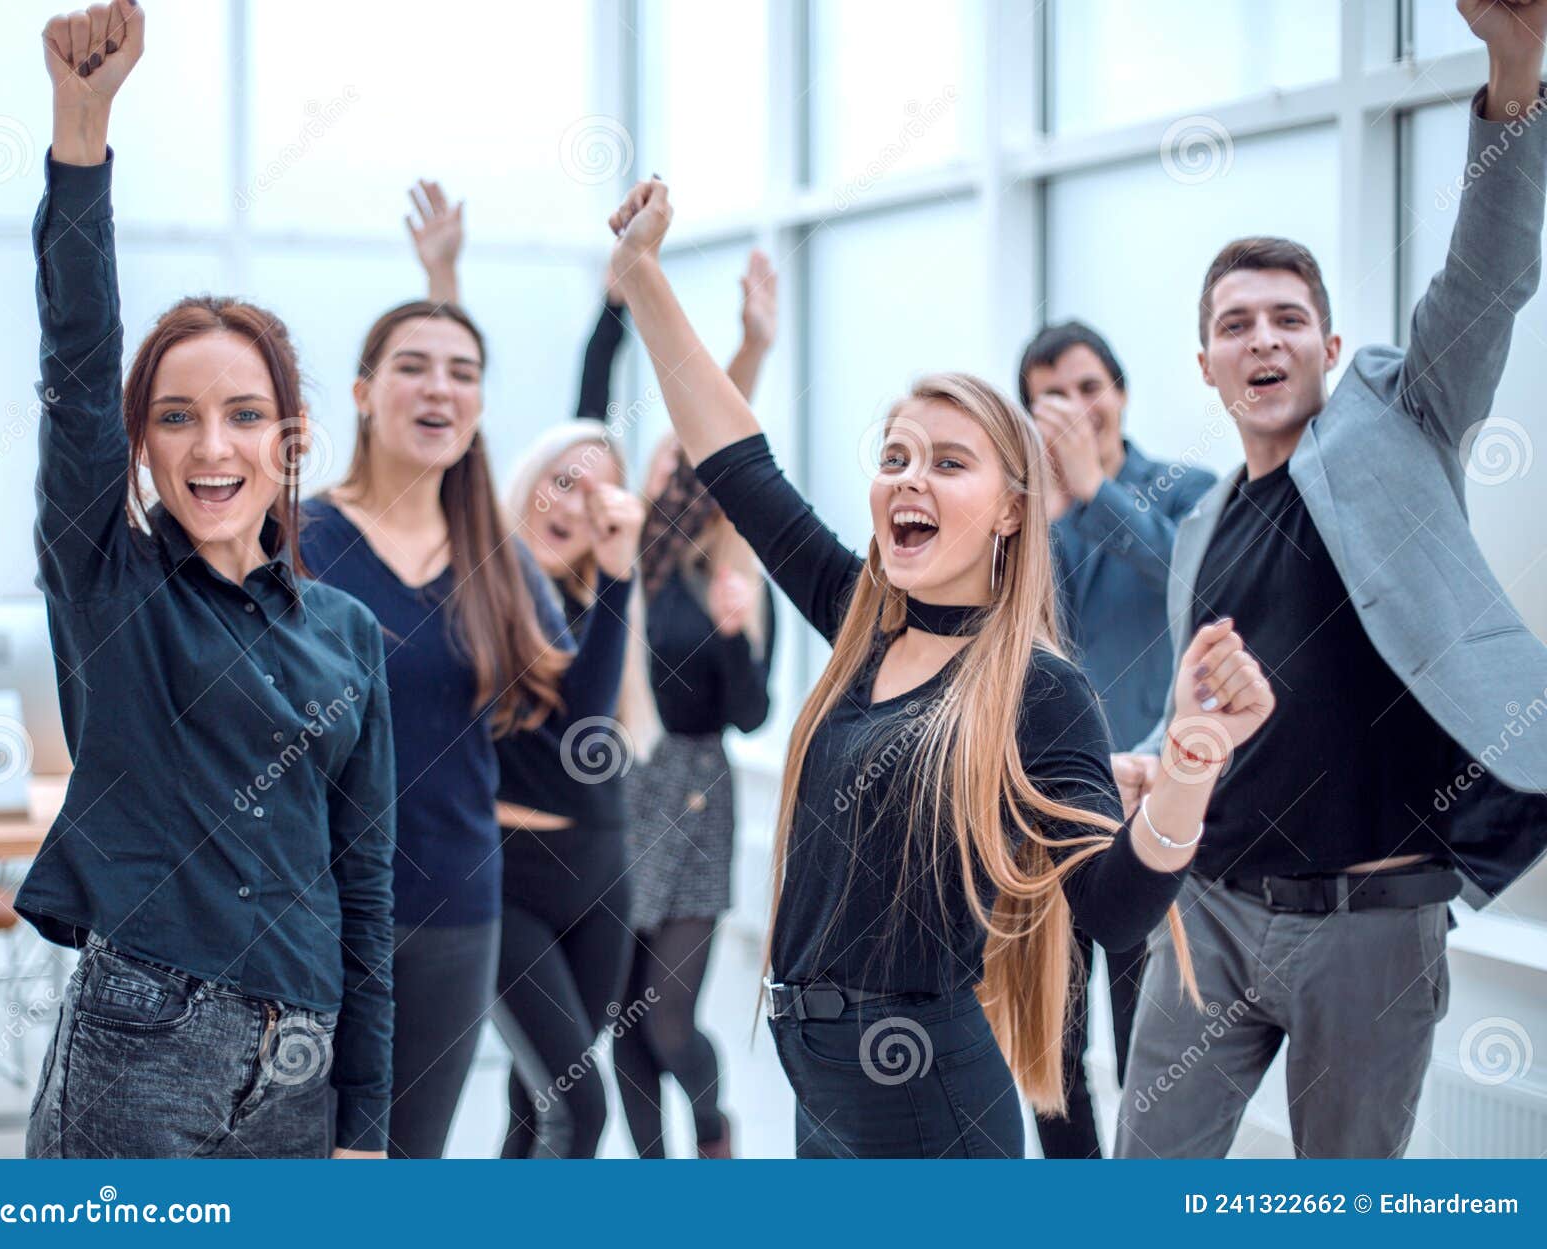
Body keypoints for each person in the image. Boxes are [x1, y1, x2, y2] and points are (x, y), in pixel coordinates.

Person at [604, 176, 1276, 1157]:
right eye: (895, 456)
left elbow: (1113, 909)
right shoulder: (861, 624)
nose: (909, 478)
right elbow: (735, 461)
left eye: (948, 463)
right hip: (814, 1070)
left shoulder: (1039, 688)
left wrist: (1186, 770)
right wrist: (643, 278)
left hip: (921, 1087)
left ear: (1011, 507)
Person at [1112, 0, 1547, 1160]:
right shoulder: (1200, 526)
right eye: (1237, 325)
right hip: (1209, 915)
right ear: (1205, 364)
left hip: (1372, 925)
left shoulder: (1399, 422)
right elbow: (1192, 716)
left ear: (1327, 343)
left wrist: (1513, 66)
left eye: (1288, 320)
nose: (1264, 341)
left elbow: (1486, 278)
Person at [20, 1, 394, 1159]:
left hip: (304, 1064)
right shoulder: (111, 589)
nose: (210, 447)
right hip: (143, 1051)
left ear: (291, 440)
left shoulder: (347, 634)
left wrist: (365, 1125)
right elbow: (80, 371)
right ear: (142, 447)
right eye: (175, 419)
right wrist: (81, 131)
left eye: (243, 415)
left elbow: (364, 888)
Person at [298, 190, 640, 1159]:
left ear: (481, 404)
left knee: (410, 1165)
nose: (437, 389)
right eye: (411, 367)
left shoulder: (496, 558)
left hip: (453, 909)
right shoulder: (299, 542)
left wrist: (613, 582)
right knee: (308, 1161)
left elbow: (575, 726)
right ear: (363, 392)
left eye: (463, 373)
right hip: (309, 915)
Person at [405, 194, 651, 1159]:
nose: (574, 497)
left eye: (596, 487)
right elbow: (453, 433)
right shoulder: (486, 578)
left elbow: (594, 713)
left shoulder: (605, 601)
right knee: (579, 1106)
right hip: (501, 876)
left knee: (535, 1097)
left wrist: (621, 574)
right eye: (560, 476)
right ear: (526, 483)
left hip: (603, 866)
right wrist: (442, 280)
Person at [1017, 321, 1215, 1157]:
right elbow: (1021, 635)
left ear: (1122, 392)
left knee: (1152, 1049)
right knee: (1049, 1061)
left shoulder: (1185, 488)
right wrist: (1053, 510)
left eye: (1090, 386)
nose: (1075, 408)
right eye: (1050, 396)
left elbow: (1192, 582)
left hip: (1152, 808)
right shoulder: (1022, 515)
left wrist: (1098, 492)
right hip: (1045, 819)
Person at [613, 253, 779, 1160]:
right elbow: (690, 473)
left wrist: (733, 635)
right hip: (619, 785)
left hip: (696, 789)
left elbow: (752, 714)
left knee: (668, 1018)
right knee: (622, 1022)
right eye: (669, 455)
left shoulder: (736, 575)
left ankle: (712, 1138)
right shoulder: (629, 559)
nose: (682, 471)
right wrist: (744, 348)